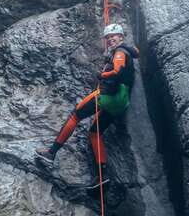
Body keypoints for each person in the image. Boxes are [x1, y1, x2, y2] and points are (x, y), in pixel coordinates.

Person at [35, 24, 139, 188]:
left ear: (121, 37)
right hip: (121, 102)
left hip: (108, 96)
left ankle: (51, 153)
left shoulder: (120, 52)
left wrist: (102, 74)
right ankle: (101, 177)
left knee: (75, 115)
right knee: (94, 133)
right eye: (108, 38)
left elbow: (117, 71)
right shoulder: (128, 53)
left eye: (114, 36)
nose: (111, 39)